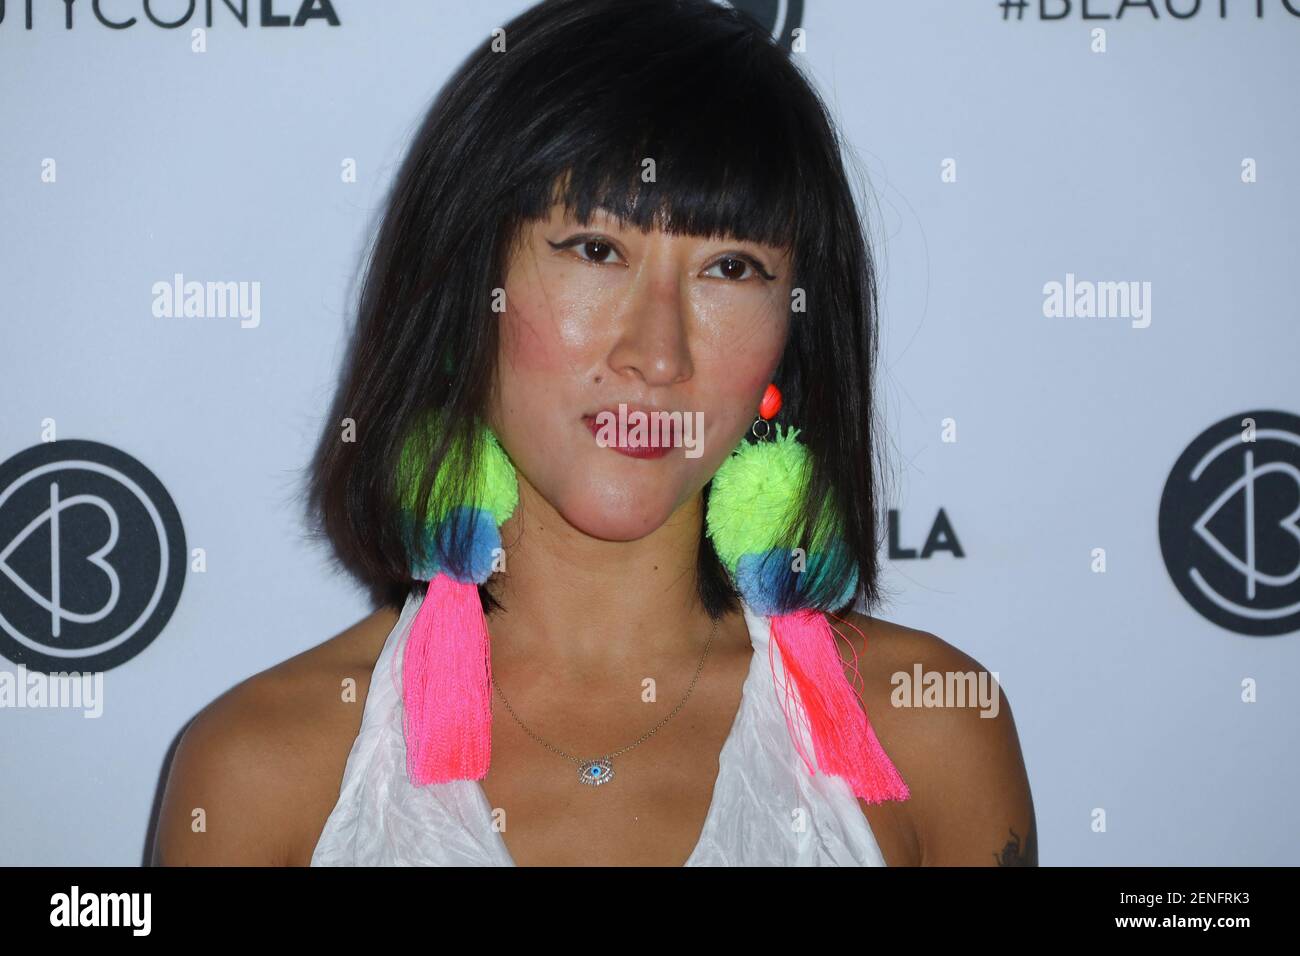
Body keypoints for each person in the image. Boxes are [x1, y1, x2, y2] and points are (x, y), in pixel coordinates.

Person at [153, 0, 1035, 867]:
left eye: (730, 268)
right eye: (594, 250)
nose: (658, 354)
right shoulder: (260, 773)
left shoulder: (933, 733)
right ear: (468, 285)